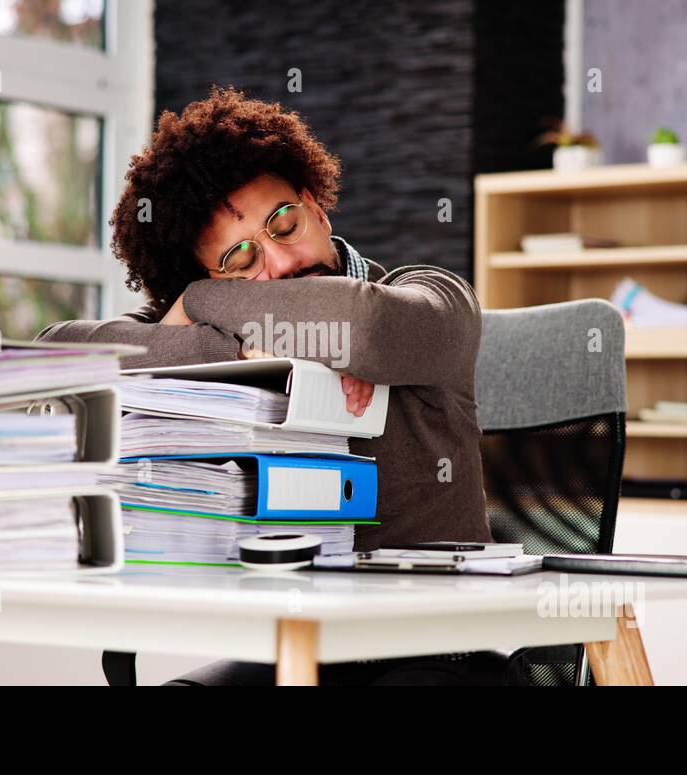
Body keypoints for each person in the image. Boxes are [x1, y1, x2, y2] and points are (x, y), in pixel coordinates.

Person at [39, 87, 509, 685]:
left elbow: (366, 326)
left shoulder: (430, 300)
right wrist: (243, 345)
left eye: (283, 222)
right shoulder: (220, 322)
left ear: (317, 207)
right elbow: (57, 352)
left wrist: (215, 300)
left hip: (432, 648)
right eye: (240, 261)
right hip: (286, 645)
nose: (281, 263)